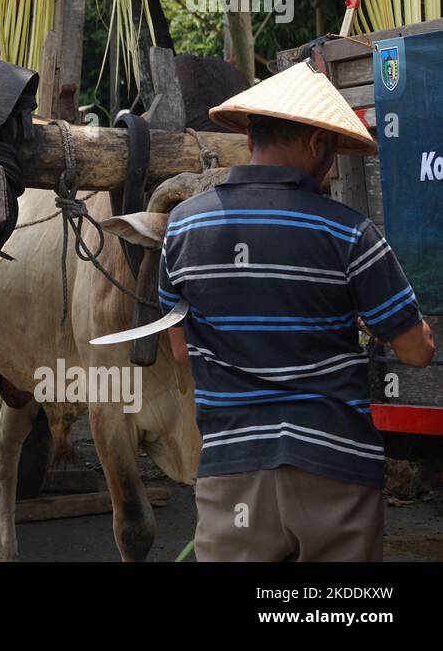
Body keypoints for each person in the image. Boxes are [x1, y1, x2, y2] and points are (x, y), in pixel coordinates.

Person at [159, 60, 435, 561]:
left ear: (250, 137)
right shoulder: (351, 233)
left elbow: (180, 351)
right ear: (315, 145)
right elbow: (415, 353)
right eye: (330, 150)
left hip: (232, 470)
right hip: (334, 471)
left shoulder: (182, 228)